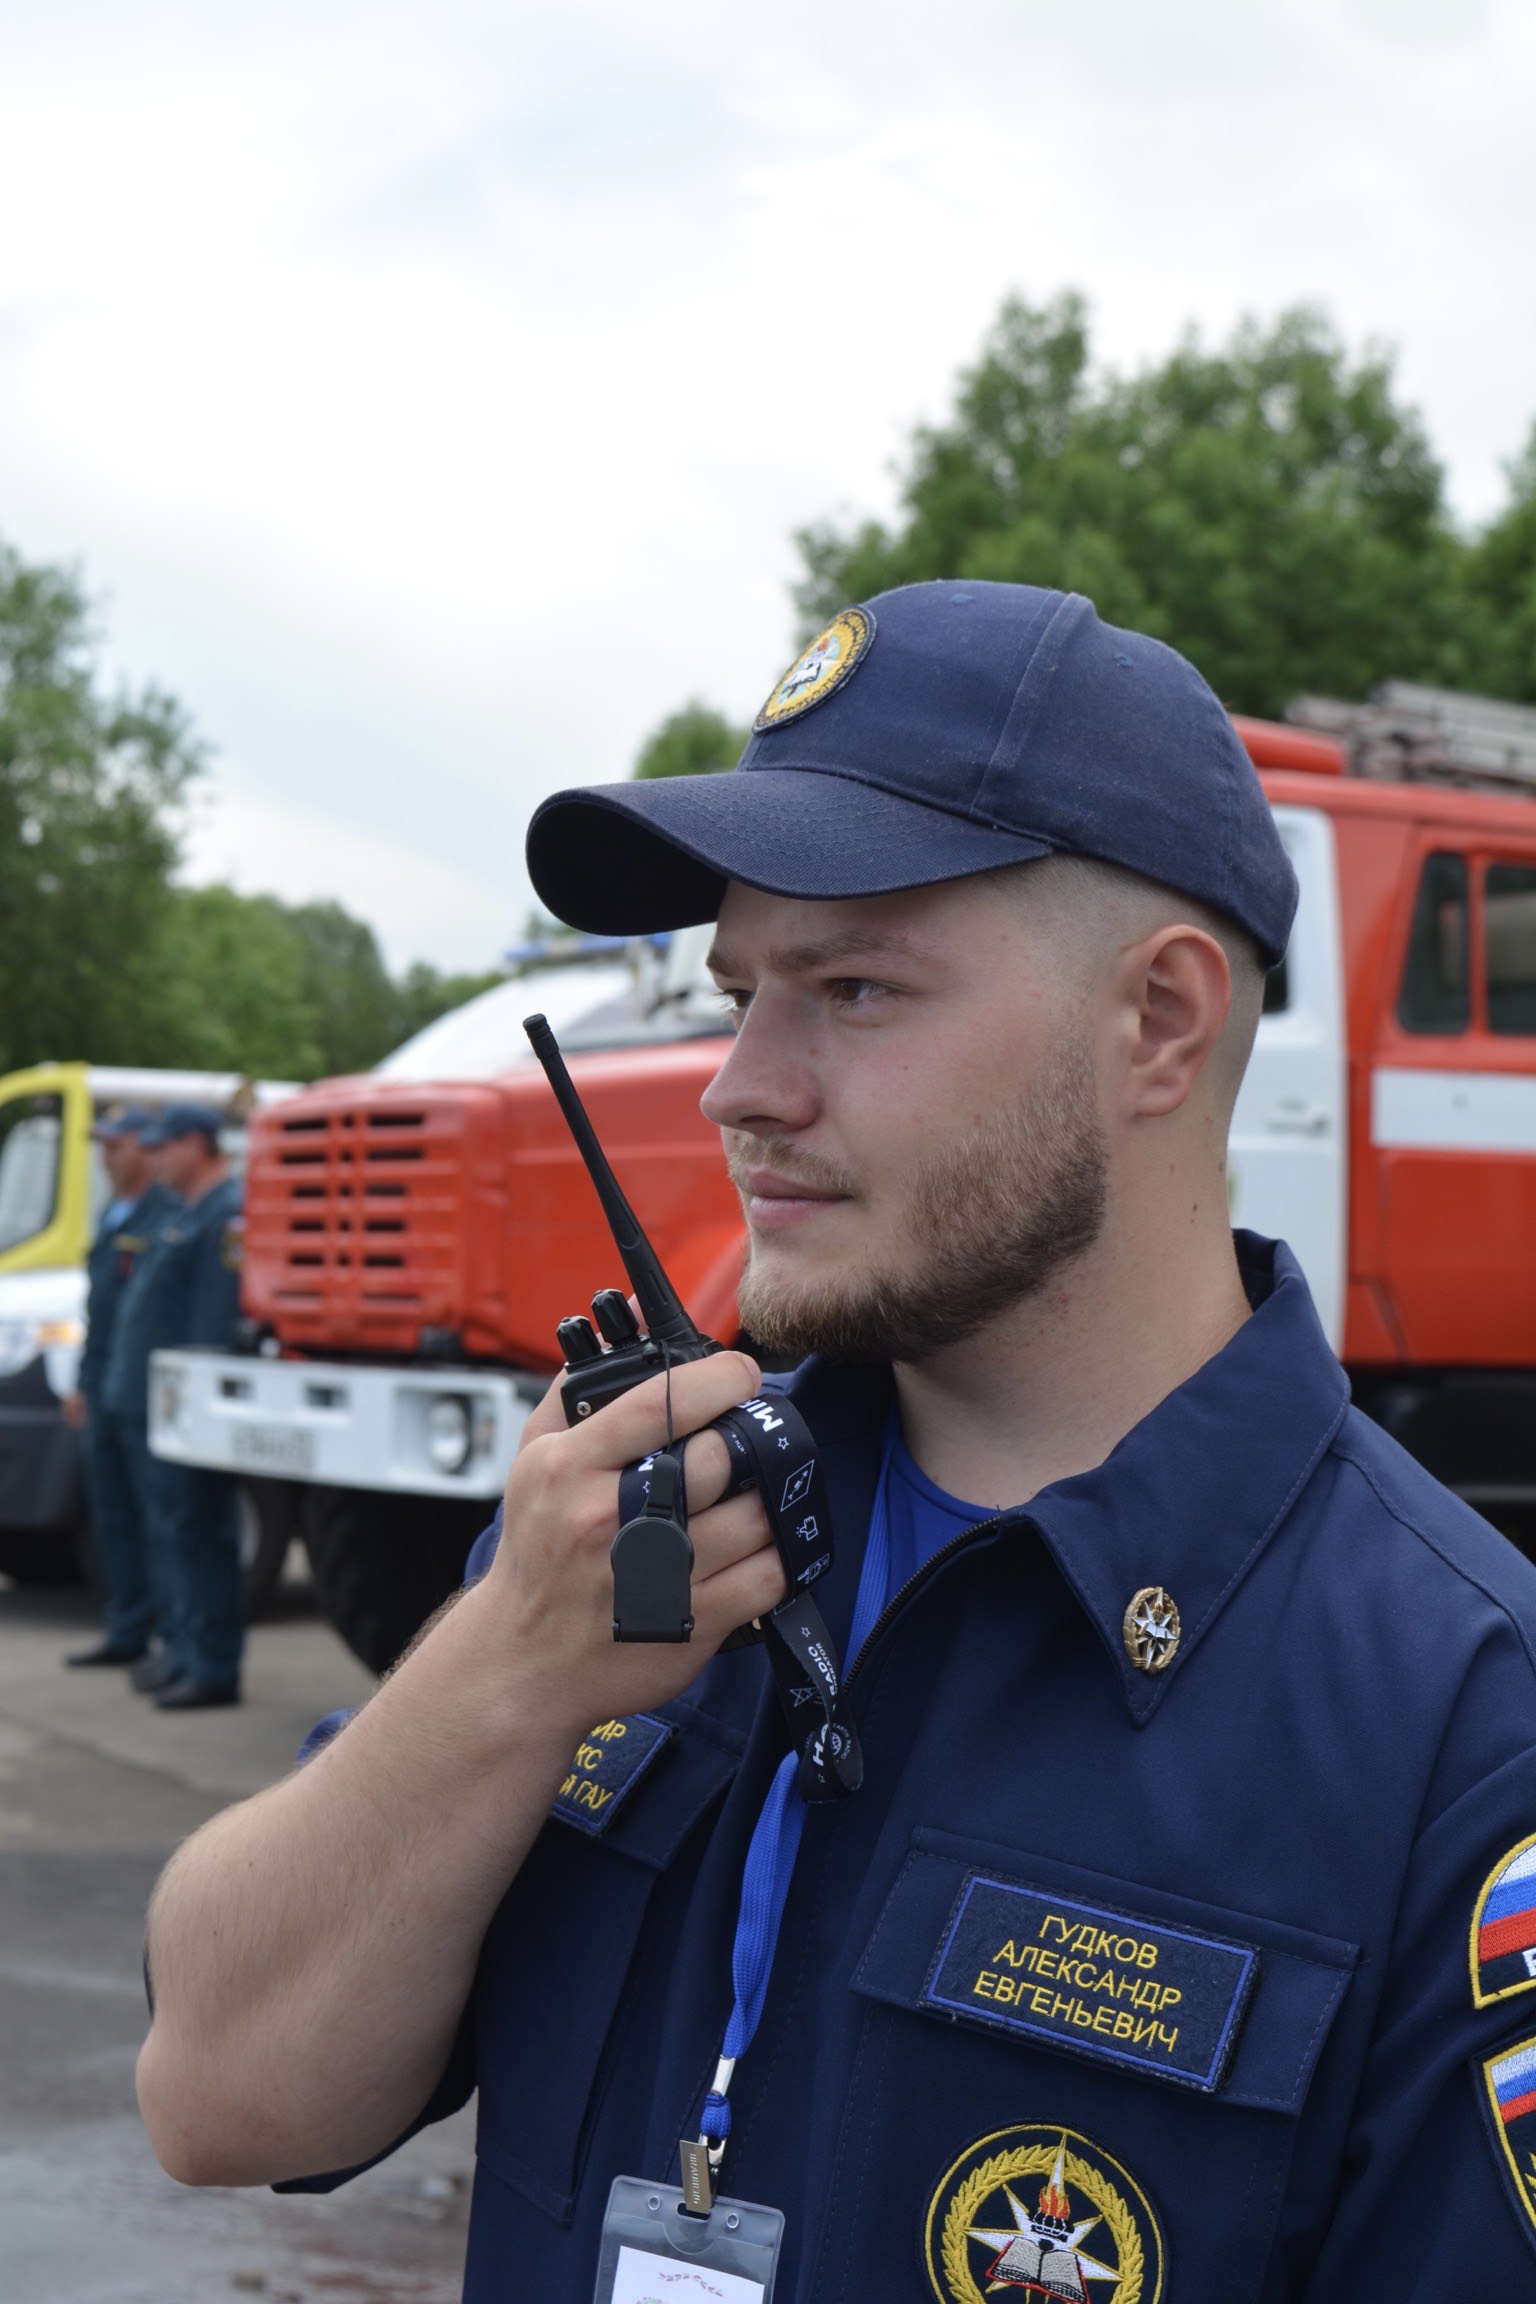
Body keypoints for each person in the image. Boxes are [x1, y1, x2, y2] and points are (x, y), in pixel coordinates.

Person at [137, 584, 1536, 2297]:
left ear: (1159, 1023)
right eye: (740, 991)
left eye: (855, 987)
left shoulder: (1462, 1721)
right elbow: (218, 2091)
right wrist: (501, 1667)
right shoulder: (639, 1533)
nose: (741, 1083)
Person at [109, 1102, 247, 1711]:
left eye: (164, 1146)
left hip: (187, 1408)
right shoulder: (188, 1211)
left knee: (197, 1529)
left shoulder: (225, 1213)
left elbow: (210, 1329)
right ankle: (186, 1652)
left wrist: (197, 1410)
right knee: (171, 1531)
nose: (154, 1156)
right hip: (157, 1402)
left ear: (197, 1144)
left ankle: (212, 1664)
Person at [62, 1106, 181, 1668]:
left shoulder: (168, 1211)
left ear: (143, 1147)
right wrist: (84, 1383)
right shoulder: (115, 1213)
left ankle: (170, 1639)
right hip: (107, 1385)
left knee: (157, 1518)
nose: (107, 1158)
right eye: (103, 1147)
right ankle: (126, 1627)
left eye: (116, 1146)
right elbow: (103, 1311)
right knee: (111, 1515)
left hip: (144, 1391)